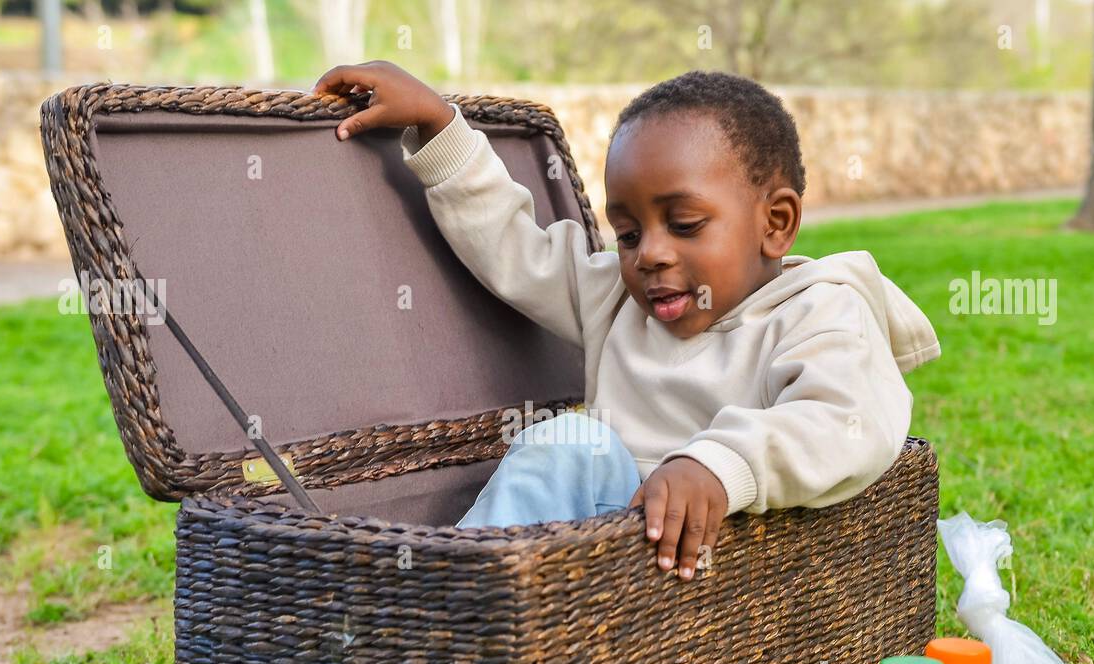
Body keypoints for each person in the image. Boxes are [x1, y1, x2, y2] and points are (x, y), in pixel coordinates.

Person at [312, 63, 941, 582]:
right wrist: (440, 125)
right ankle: (452, 594)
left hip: (720, 576)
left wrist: (719, 466)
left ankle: (445, 609)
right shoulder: (617, 297)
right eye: (629, 232)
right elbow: (515, 250)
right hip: (598, 567)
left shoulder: (819, 312)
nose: (651, 255)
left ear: (775, 223)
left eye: (685, 224)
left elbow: (843, 422)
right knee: (570, 445)